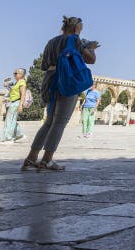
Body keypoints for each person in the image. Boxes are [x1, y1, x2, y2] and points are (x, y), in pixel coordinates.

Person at [21, 16, 98, 171]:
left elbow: (44, 65)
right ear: (76, 28)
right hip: (67, 81)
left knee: (49, 122)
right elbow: (91, 59)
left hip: (50, 81)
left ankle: (31, 157)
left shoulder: (51, 42)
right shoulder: (75, 41)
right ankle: (47, 160)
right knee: (60, 122)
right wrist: (91, 48)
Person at [0, 68, 27, 144]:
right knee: (12, 120)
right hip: (13, 102)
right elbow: (6, 85)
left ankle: (8, 138)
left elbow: (23, 94)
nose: (14, 75)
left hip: (17, 102)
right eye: (14, 73)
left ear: (21, 75)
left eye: (16, 73)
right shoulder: (16, 82)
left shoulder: (22, 82)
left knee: (10, 120)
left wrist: (21, 105)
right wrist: (5, 81)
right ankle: (19, 135)